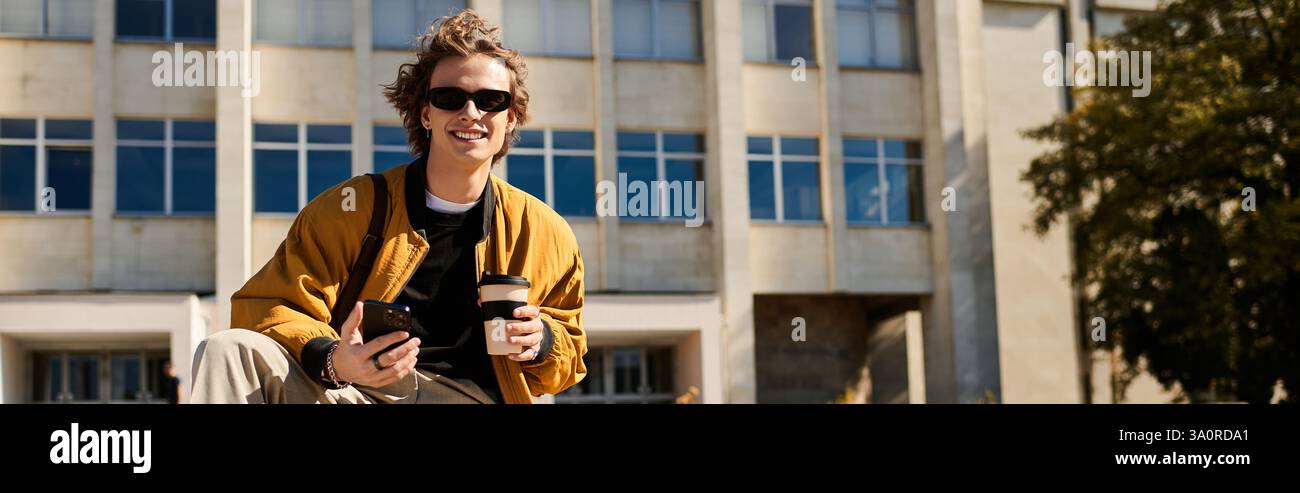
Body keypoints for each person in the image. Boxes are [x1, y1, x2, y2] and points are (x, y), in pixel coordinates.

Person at [189, 10, 586, 404]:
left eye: (490, 100)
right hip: (355, 393)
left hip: (472, 398)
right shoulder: (351, 208)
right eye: (450, 98)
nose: (470, 113)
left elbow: (569, 357)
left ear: (510, 119)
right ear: (426, 114)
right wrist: (335, 362)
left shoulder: (543, 230)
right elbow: (269, 306)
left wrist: (542, 340)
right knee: (228, 350)